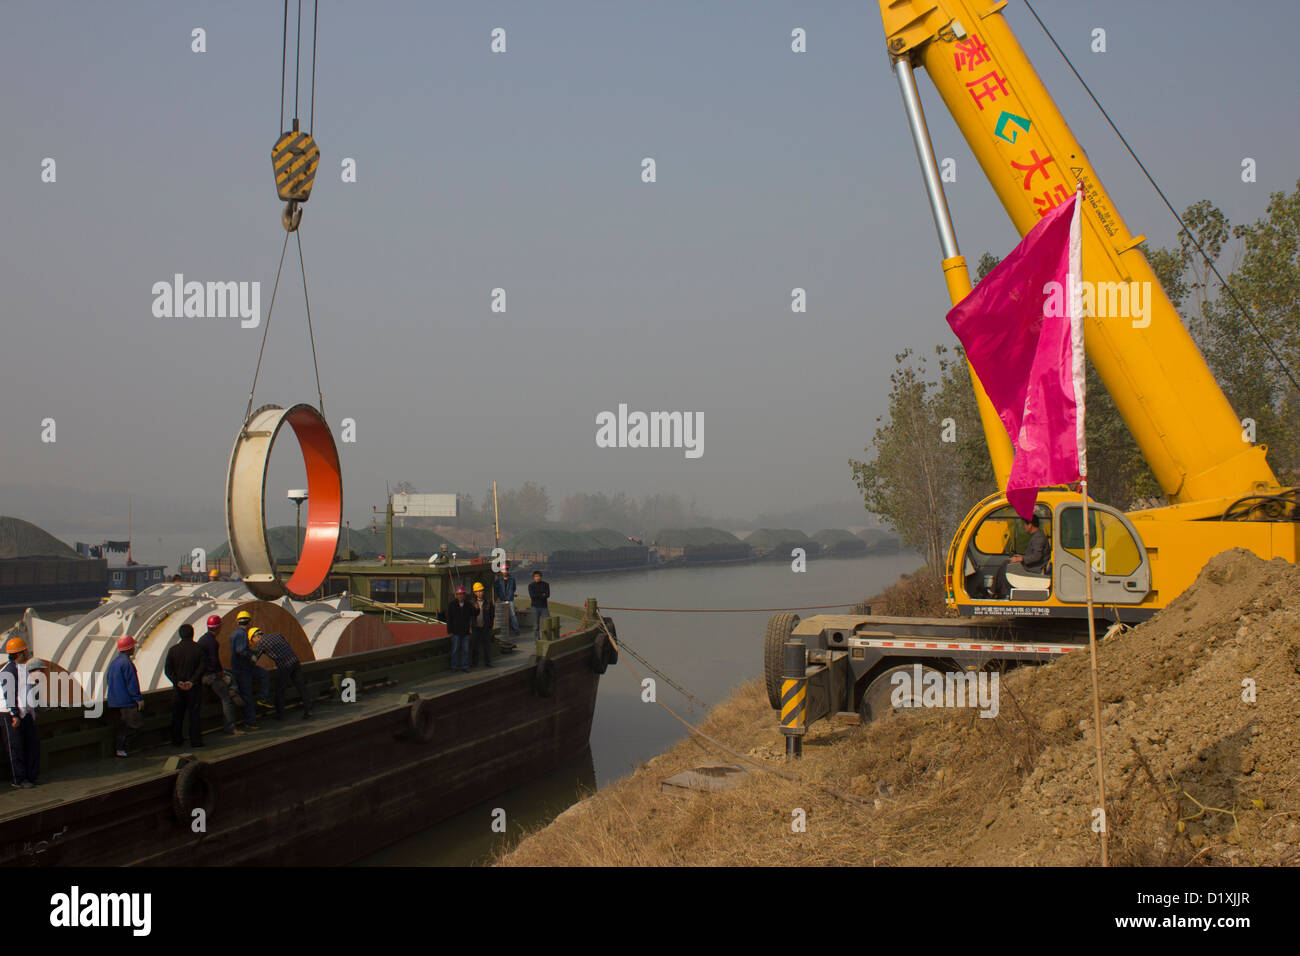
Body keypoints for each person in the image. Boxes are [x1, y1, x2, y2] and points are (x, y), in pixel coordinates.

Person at [0, 636, 40, 787]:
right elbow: (9, 694)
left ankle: (31, 776)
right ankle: (19, 780)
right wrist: (15, 715)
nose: (28, 653)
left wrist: (31, 712)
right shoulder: (8, 671)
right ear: (19, 654)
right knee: (15, 747)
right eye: (25, 651)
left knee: (31, 744)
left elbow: (26, 692)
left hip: (24, 713)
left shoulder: (23, 669)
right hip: (10, 714)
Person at [197, 614, 245, 735]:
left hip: (202, 676)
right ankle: (230, 727)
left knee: (229, 676)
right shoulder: (213, 642)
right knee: (226, 699)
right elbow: (214, 661)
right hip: (211, 676)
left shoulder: (202, 639)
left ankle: (233, 691)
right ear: (219, 627)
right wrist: (220, 674)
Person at [250, 628, 312, 720]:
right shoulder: (277, 634)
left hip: (284, 665)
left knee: (280, 690)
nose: (254, 643)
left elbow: (255, 658)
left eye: (253, 641)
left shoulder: (261, 643)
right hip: (295, 661)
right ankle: (308, 709)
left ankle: (280, 714)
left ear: (256, 636)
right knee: (301, 686)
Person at [163, 623, 205, 747]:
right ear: (192, 634)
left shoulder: (173, 650)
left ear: (180, 635)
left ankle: (177, 740)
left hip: (178, 689)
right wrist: (192, 681)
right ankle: (195, 741)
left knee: (177, 715)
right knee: (194, 715)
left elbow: (168, 670)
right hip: (194, 688)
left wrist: (177, 682)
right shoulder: (199, 649)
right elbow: (202, 667)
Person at [993, 515, 1050, 599]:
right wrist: (1021, 556)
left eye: (1025, 525)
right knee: (1008, 563)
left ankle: (1001, 593)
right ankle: (998, 591)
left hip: (1035, 568)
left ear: (1030, 525)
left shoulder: (1038, 538)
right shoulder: (1037, 535)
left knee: (1007, 565)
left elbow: (1037, 556)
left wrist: (1021, 558)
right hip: (1034, 565)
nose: (1024, 527)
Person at [106, 636, 144, 757]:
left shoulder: (114, 663)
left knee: (120, 727)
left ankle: (120, 749)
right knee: (135, 726)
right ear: (129, 649)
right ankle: (122, 748)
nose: (134, 648)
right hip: (126, 703)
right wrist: (138, 699)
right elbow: (132, 684)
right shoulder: (127, 664)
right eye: (133, 646)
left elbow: (109, 680)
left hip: (114, 702)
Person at [230, 610, 260, 729]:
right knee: (247, 695)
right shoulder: (242, 634)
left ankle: (245, 720)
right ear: (249, 622)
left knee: (243, 694)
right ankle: (250, 721)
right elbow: (240, 650)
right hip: (243, 670)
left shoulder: (235, 633)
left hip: (237, 668)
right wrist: (251, 655)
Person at [445, 586, 475, 673]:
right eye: (459, 594)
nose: (460, 596)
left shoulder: (468, 605)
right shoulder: (452, 605)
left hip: (465, 631)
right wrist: (449, 631)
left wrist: (476, 608)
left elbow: (474, 614)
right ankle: (454, 666)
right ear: (456, 595)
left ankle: (465, 666)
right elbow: (449, 619)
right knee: (455, 650)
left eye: (462, 594)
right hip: (455, 632)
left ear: (464, 595)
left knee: (466, 650)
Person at [470, 582, 495, 668]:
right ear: (475, 592)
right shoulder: (472, 603)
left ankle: (488, 662)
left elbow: (492, 614)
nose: (480, 593)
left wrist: (490, 625)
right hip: (475, 627)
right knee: (475, 646)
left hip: (486, 627)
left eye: (481, 591)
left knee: (487, 646)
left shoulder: (488, 602)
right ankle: (474, 663)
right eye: (478, 591)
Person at [494, 563, 520, 636]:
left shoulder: (512, 579)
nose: (505, 571)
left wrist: (511, 594)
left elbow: (514, 588)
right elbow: (496, 589)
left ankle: (516, 629)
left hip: (510, 599)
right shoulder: (498, 580)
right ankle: (502, 630)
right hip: (502, 599)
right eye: (504, 570)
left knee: (513, 615)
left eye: (506, 570)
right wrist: (499, 597)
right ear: (501, 571)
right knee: (502, 616)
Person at [528, 570, 550, 640]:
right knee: (536, 625)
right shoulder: (531, 585)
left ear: (541, 577)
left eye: (538, 576)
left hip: (544, 607)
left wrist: (538, 595)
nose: (537, 578)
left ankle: (546, 639)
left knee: (546, 623)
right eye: (536, 576)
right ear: (533, 577)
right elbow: (532, 596)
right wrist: (542, 594)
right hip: (535, 607)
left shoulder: (546, 584)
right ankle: (537, 640)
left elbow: (547, 595)